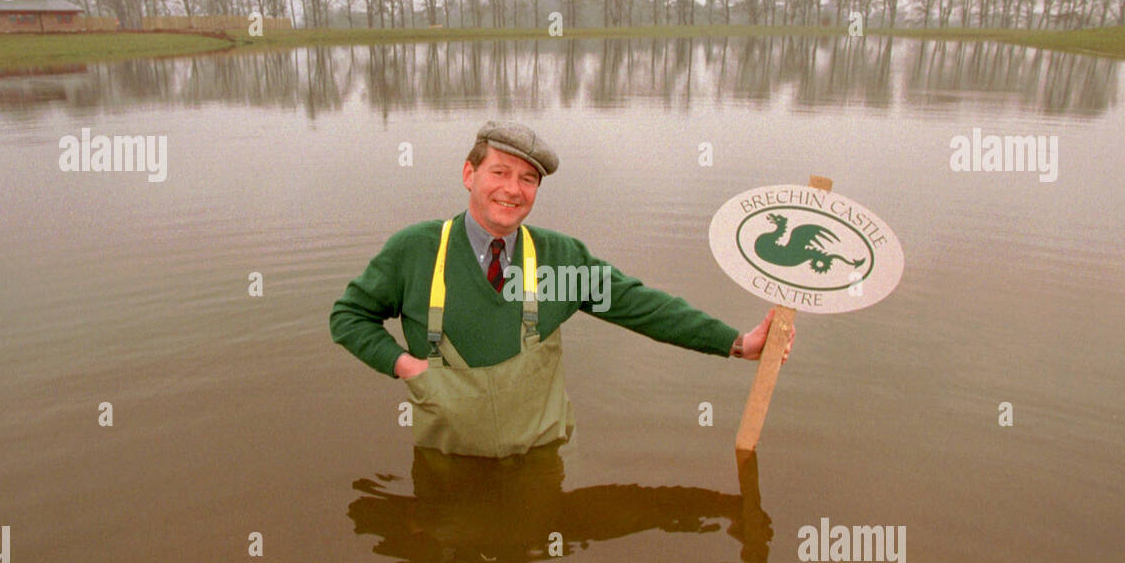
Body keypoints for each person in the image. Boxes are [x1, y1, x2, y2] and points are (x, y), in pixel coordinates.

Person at [329, 119, 795, 458]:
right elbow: (348, 317)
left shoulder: (559, 260)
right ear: (469, 174)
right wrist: (402, 364)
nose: (513, 189)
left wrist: (736, 343)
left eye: (528, 179)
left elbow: (642, 306)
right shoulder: (415, 250)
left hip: (538, 453)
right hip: (446, 456)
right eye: (500, 172)